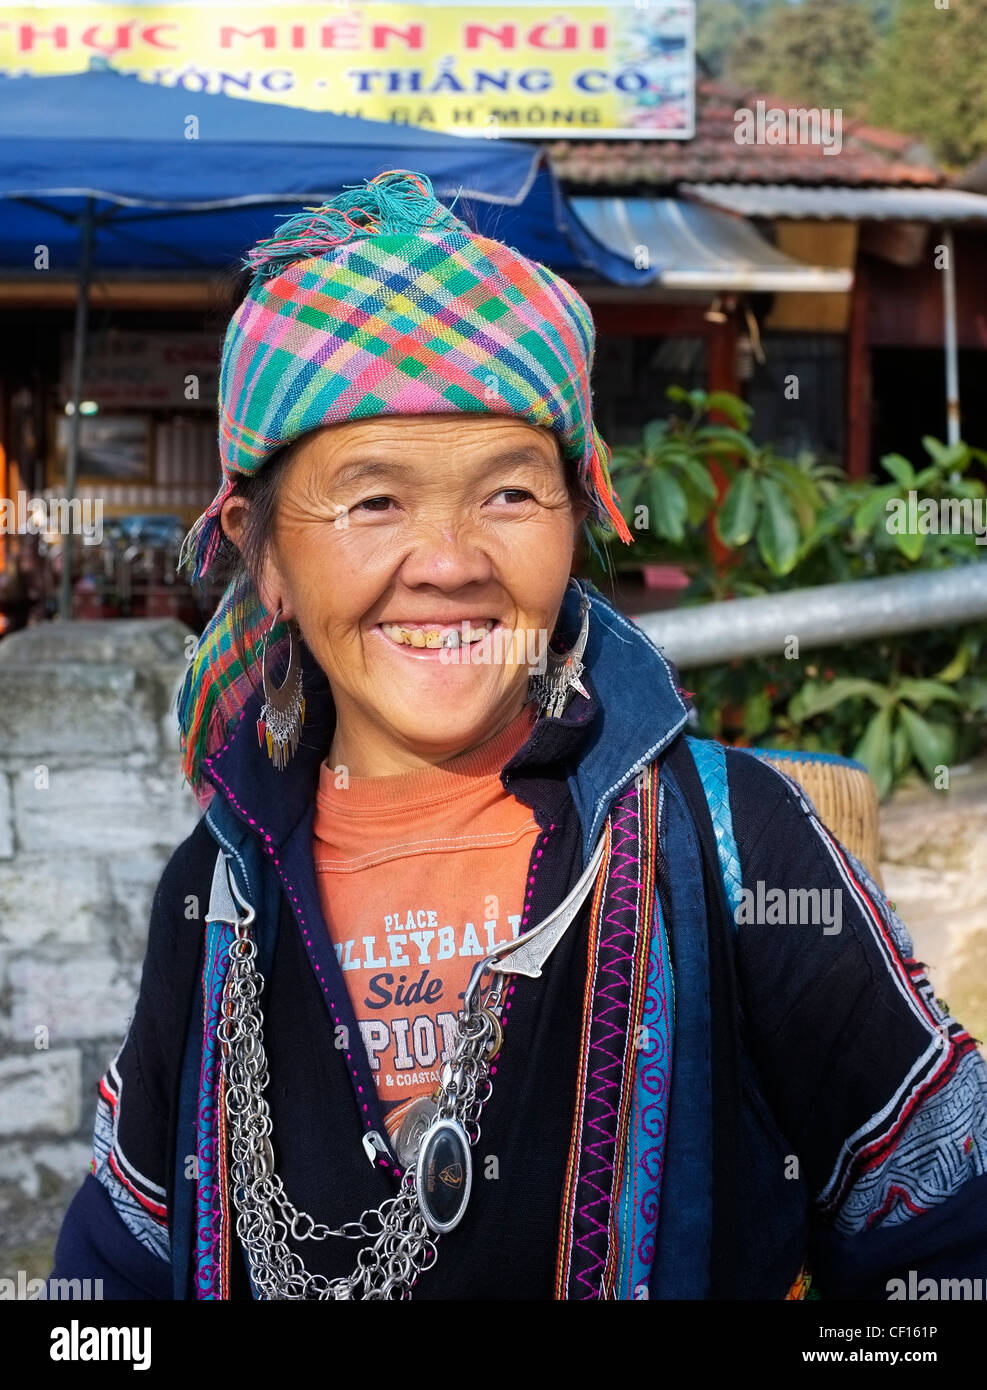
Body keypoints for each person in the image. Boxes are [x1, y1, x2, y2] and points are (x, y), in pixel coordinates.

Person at [49, 169, 987, 1301]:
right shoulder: (214, 891)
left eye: (508, 495)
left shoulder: (738, 852)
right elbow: (117, 1274)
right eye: (373, 501)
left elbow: (947, 1225)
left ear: (577, 516)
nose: (450, 563)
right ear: (267, 556)